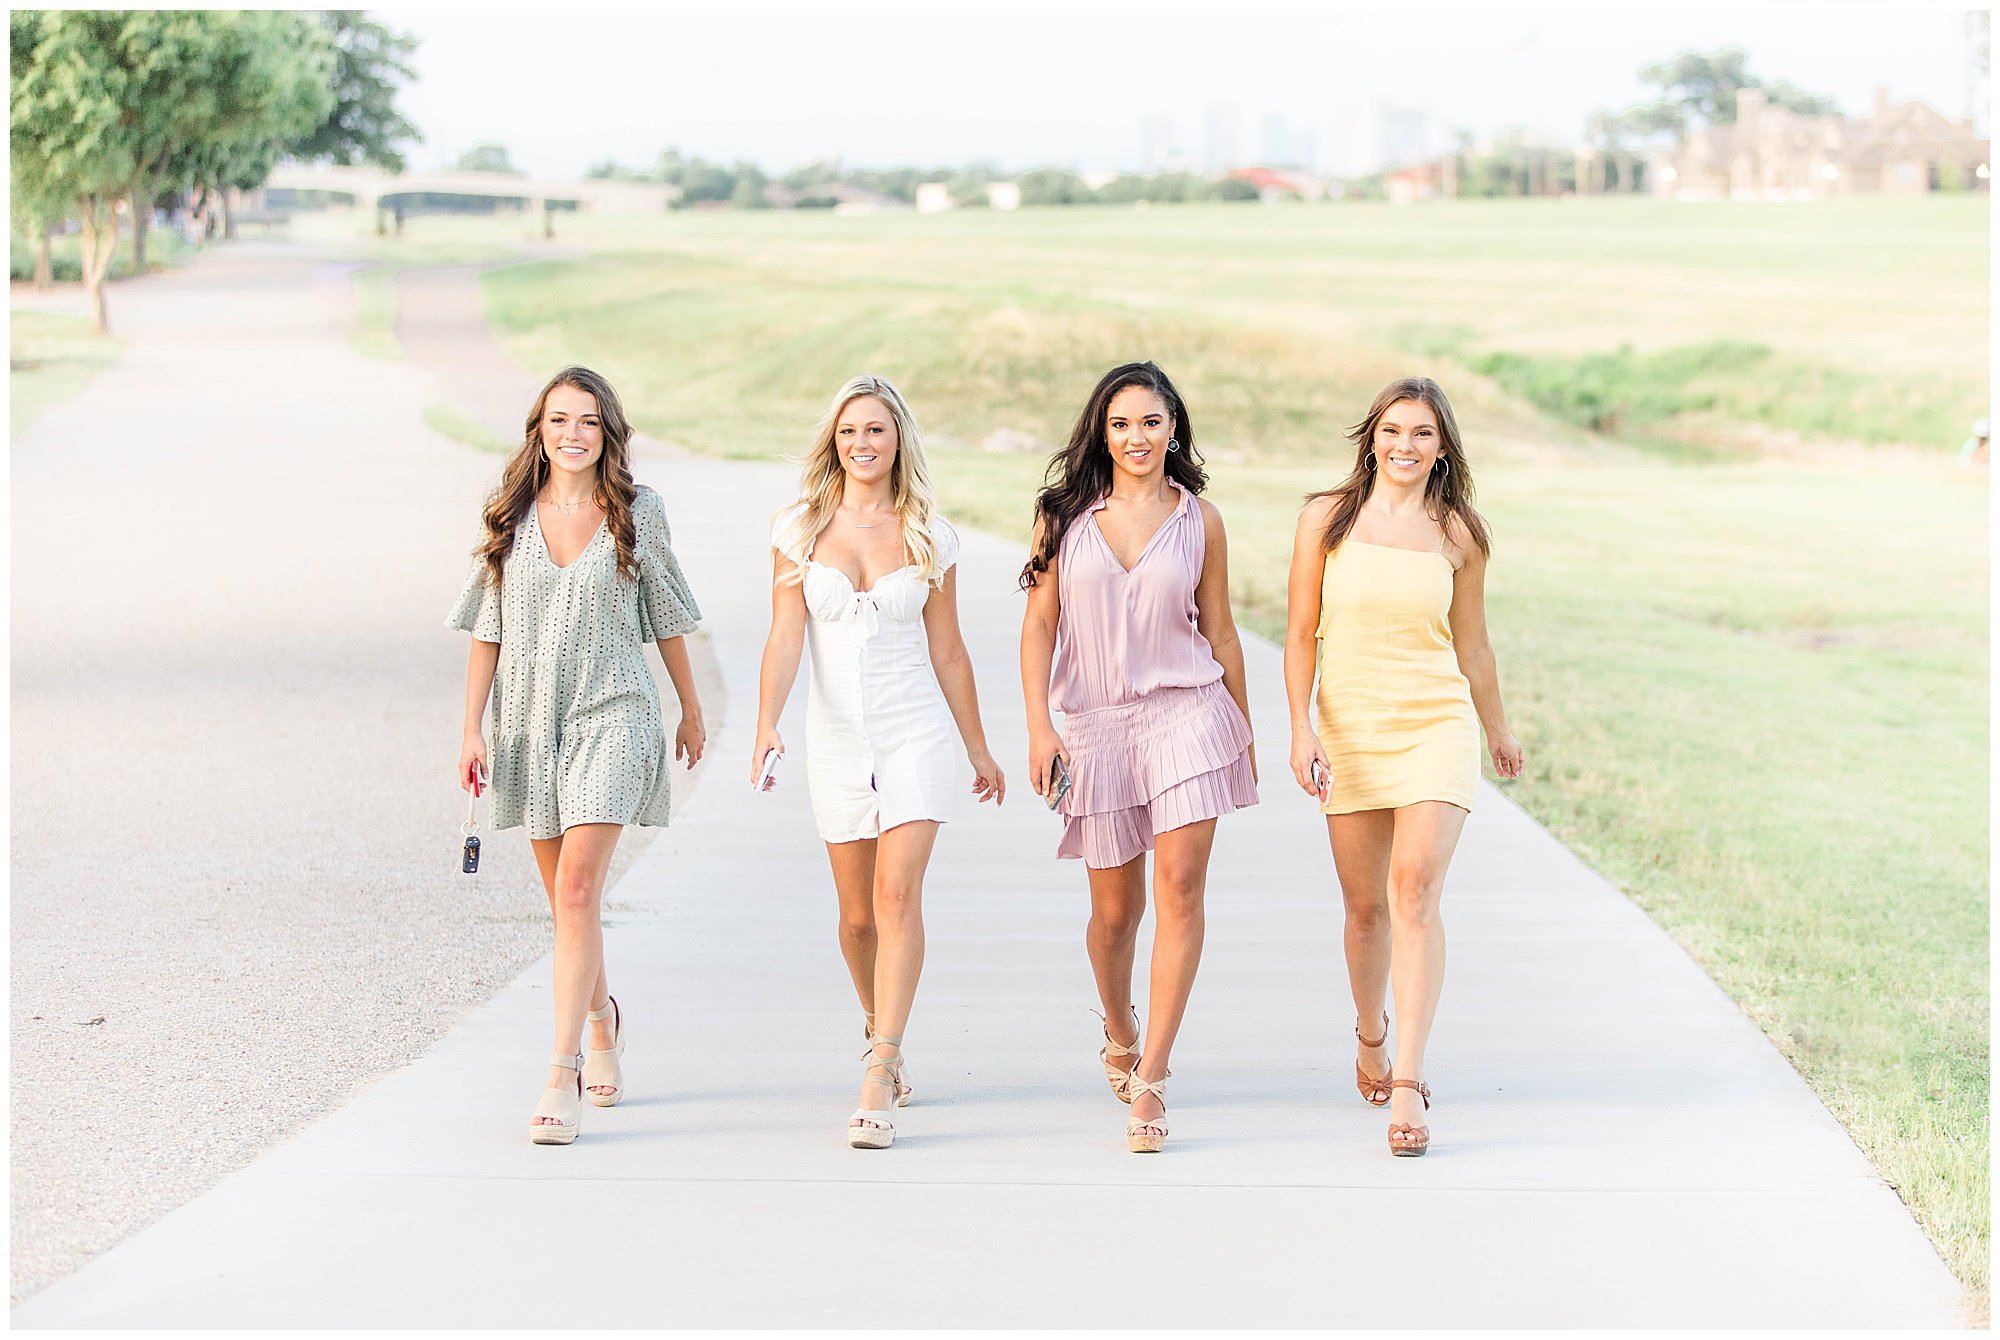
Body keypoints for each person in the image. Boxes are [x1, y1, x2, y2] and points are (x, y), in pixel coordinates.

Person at [448, 366, 707, 1146]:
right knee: (568, 903)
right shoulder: (512, 514)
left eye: (589, 421)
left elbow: (667, 614)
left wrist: (690, 707)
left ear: (608, 433)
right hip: (531, 721)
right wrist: (471, 728)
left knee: (577, 887)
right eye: (559, 420)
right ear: (539, 430)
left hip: (615, 710)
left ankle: (558, 1074)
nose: (573, 434)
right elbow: (488, 628)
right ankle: (601, 1020)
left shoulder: (637, 511)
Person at [753, 373, 1005, 1150]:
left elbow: (949, 649)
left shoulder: (929, 533)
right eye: (849, 431)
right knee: (857, 917)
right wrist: (766, 723)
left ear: (899, 440)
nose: (862, 444)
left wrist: (978, 747)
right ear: (834, 441)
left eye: (876, 430)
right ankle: (877, 1022)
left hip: (914, 733)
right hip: (835, 738)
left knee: (897, 896)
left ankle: (881, 1066)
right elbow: (785, 635)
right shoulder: (798, 529)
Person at [1018, 361, 1257, 1154]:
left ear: (1174, 429)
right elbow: (1039, 626)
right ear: (1102, 430)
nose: (1137, 437)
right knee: (1115, 916)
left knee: (1180, 890)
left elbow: (1221, 631)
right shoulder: (1063, 517)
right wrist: (1039, 727)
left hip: (1188, 716)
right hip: (1096, 728)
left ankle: (1152, 1073)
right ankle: (1119, 1028)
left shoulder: (1201, 520)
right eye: (1121, 424)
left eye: (1151, 422)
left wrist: (1244, 735)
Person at [1282, 375, 1523, 1157]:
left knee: (1414, 890)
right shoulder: (1326, 518)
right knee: (1366, 911)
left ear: (1442, 446)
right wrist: (1301, 729)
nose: (1405, 445)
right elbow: (1300, 632)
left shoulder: (1460, 533)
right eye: (1392, 430)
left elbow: (1473, 643)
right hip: (1350, 724)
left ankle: (1412, 1083)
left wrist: (1497, 730)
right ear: (1372, 438)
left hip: (1435, 722)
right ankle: (1371, 1033)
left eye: (1421, 433)